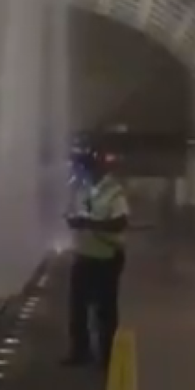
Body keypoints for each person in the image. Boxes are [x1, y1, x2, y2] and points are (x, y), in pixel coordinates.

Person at [62, 150, 130, 368]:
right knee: (78, 307)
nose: (79, 174)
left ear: (94, 169)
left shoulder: (113, 191)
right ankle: (81, 351)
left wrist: (88, 224)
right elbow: (82, 213)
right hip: (84, 255)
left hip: (107, 258)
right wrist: (74, 219)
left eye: (82, 170)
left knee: (105, 308)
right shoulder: (85, 190)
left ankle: (107, 355)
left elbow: (120, 222)